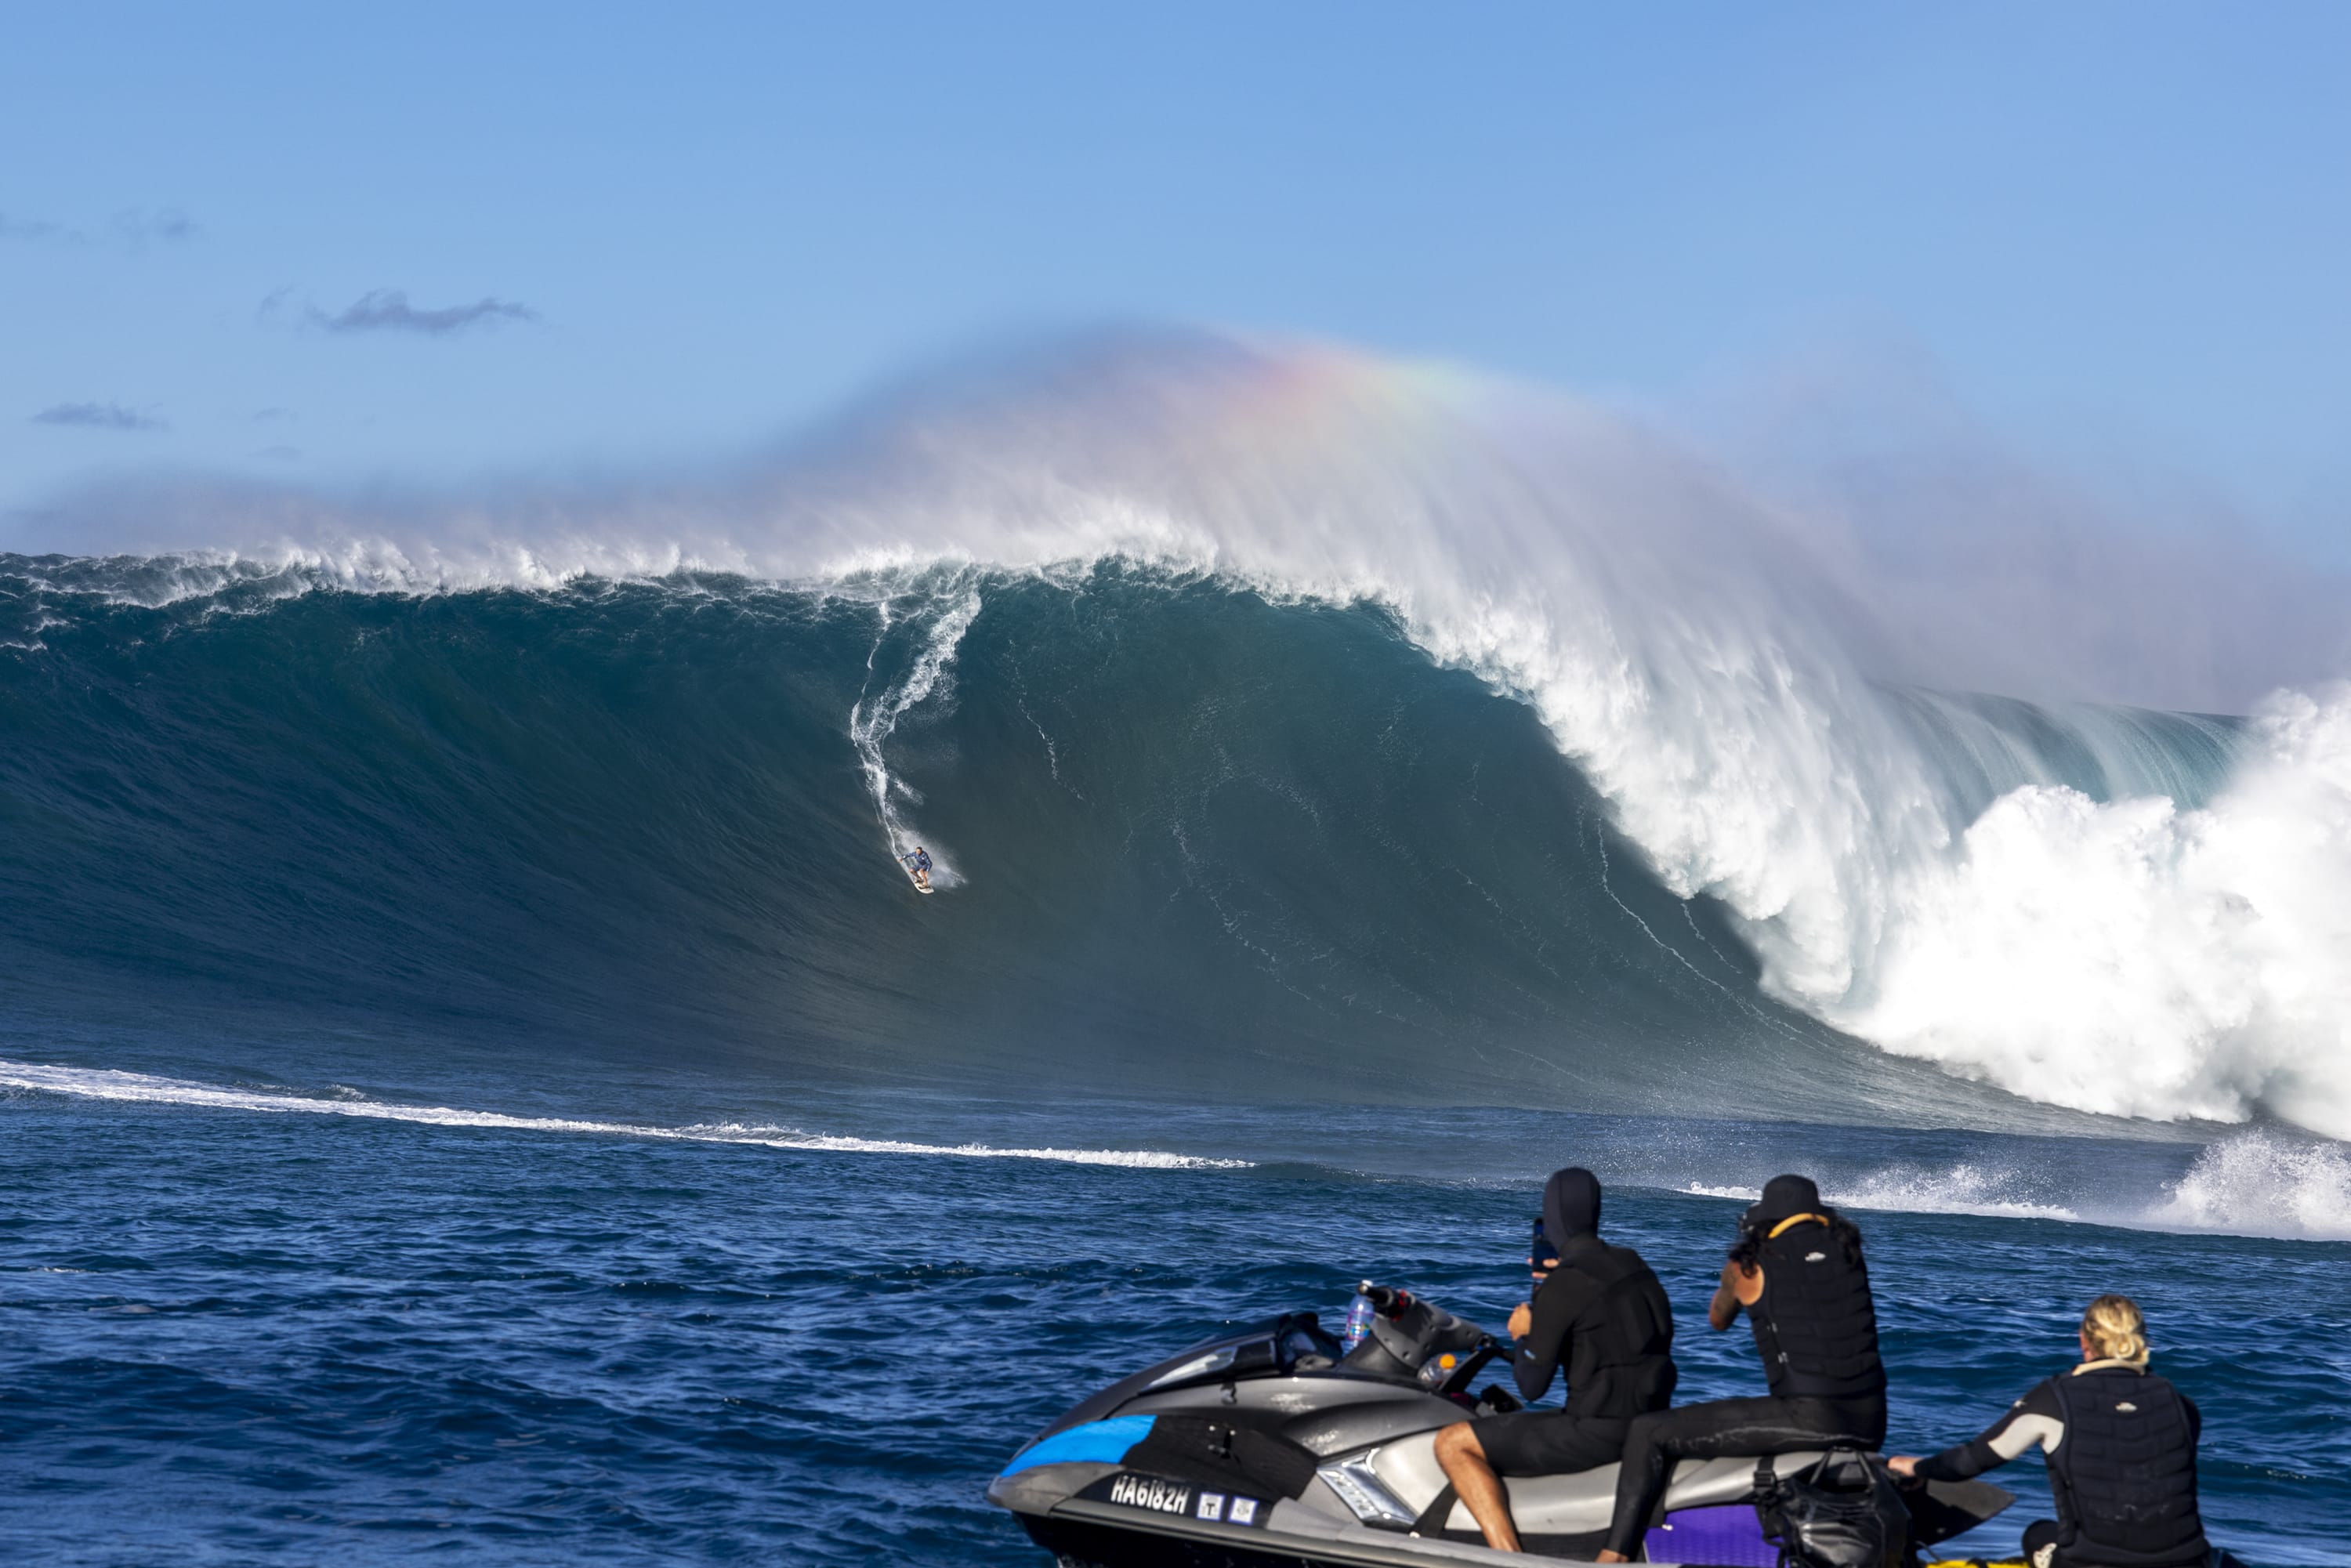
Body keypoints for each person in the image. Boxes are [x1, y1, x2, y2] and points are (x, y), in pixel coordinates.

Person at [1596, 1174, 1886, 1563]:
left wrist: (1736, 1266)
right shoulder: (1850, 1255)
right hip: (1872, 1421)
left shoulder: (1747, 1267)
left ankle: (1613, 1556)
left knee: (1647, 1431)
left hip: (1812, 1418)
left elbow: (1718, 1318)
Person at [1433, 1168, 1678, 1552]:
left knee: (1452, 1443)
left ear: (1552, 1216)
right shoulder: (1634, 1264)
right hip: (1648, 1426)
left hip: (1596, 1433)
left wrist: (1523, 1333)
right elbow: (1609, 1341)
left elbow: (1532, 1386)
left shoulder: (1567, 1282)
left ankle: (1508, 1560)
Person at [1889, 1295, 2210, 1568]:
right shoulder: (2182, 1404)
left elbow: (1969, 1463)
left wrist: (1914, 1467)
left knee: (2038, 1535)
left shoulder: (2056, 1399)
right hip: (2189, 1559)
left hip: (2094, 1562)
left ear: (2083, 1339)